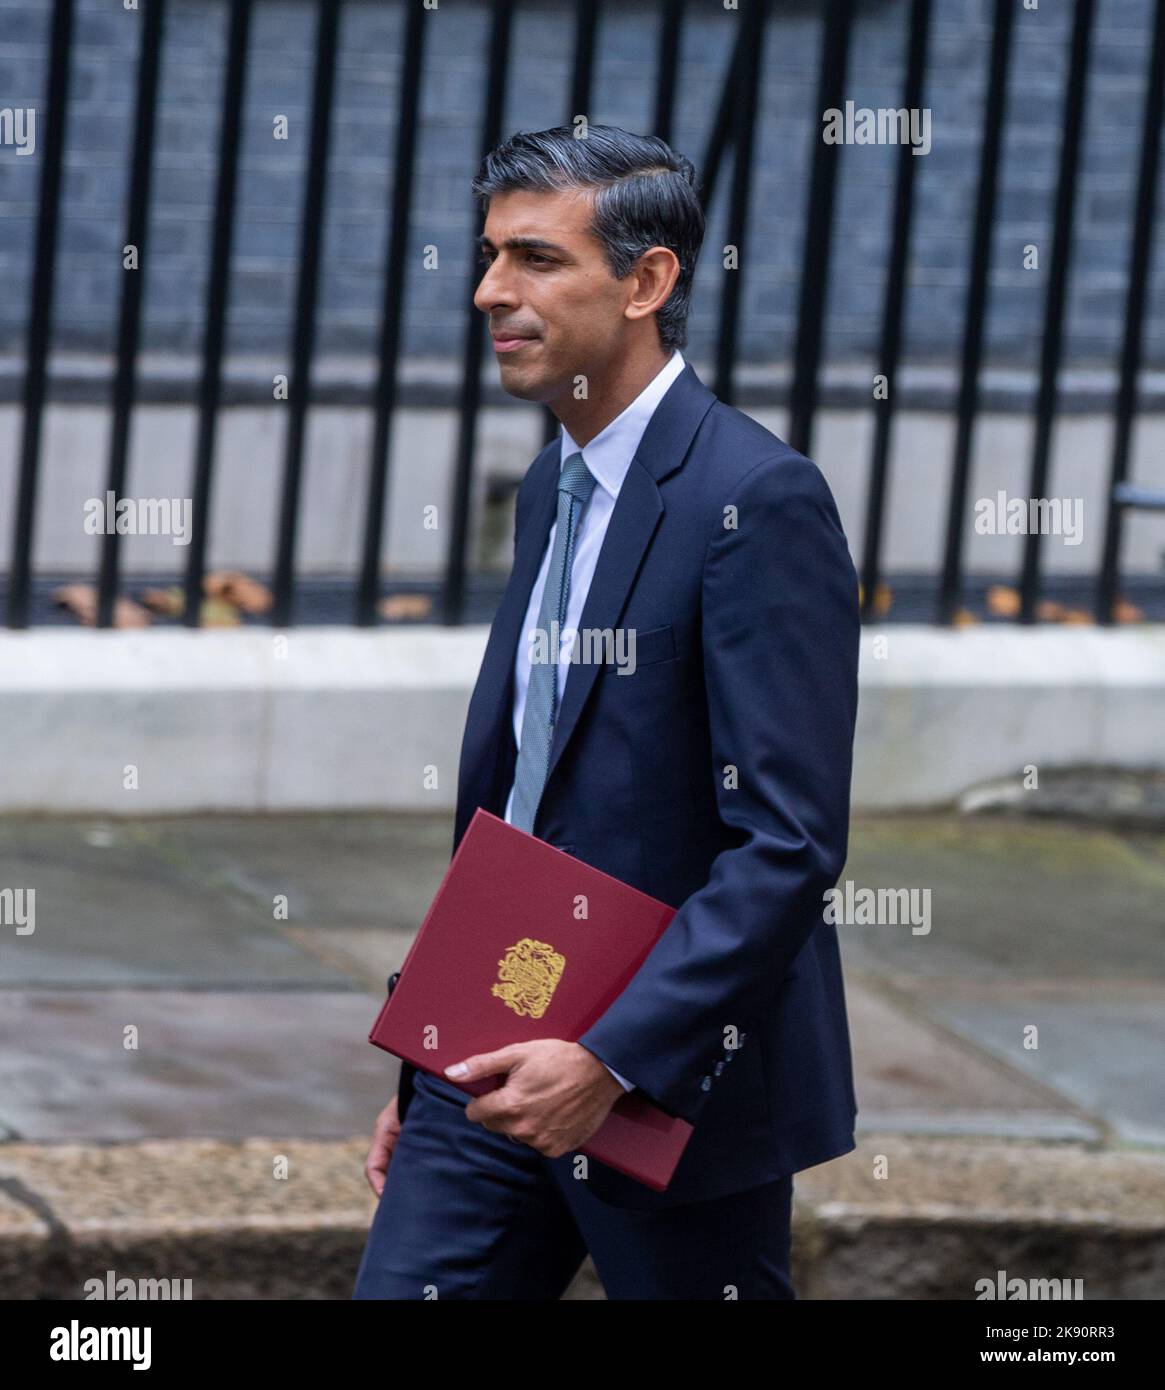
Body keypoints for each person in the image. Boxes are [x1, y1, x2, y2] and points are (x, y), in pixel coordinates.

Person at [352, 124, 859, 1300]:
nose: (490, 293)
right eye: (488, 257)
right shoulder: (550, 485)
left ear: (647, 282)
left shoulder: (756, 502)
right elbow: (526, 794)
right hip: (485, 1049)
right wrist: (423, 1056)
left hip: (670, 1086)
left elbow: (786, 842)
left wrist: (611, 1059)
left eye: (535, 259)